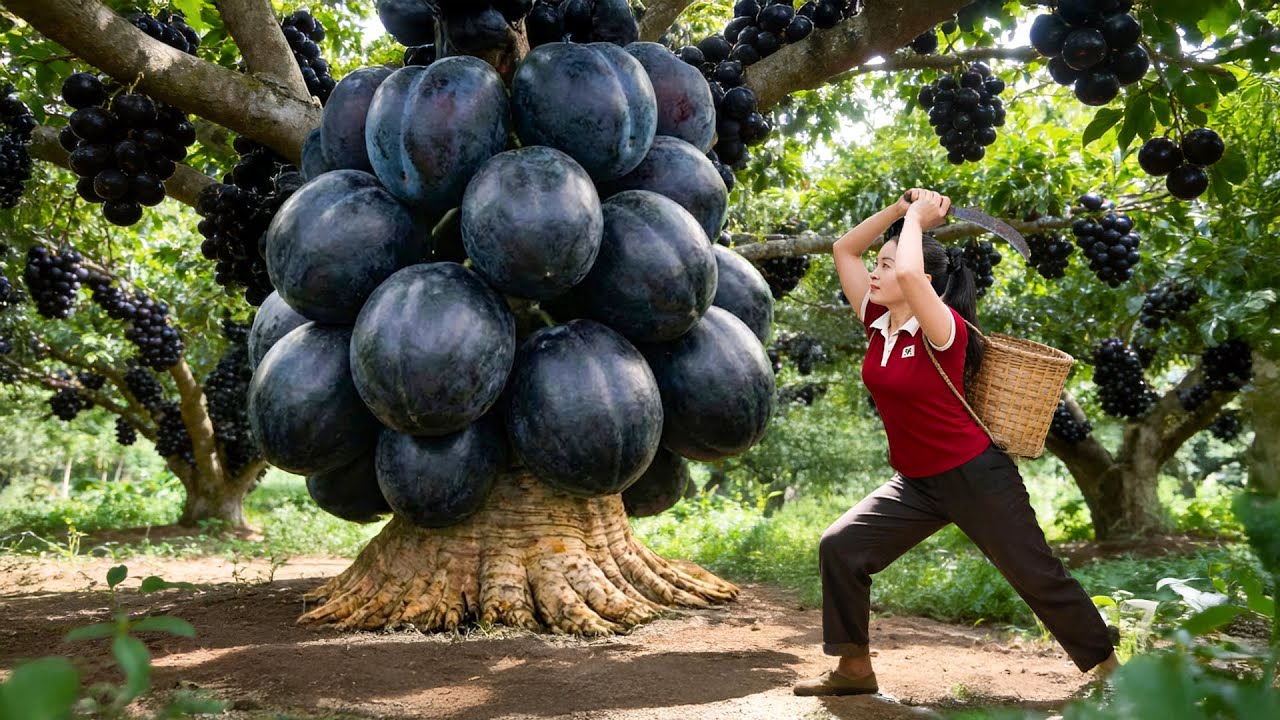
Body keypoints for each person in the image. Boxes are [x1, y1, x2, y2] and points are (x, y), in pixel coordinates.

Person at [793, 189, 1119, 696]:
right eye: (877, 265)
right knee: (841, 547)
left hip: (976, 476)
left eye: (888, 263)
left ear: (922, 280)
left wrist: (919, 224)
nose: (876, 274)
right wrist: (901, 213)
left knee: (1036, 574)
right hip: (915, 484)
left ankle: (1114, 671)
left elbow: (907, 275)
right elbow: (842, 250)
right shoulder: (877, 326)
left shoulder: (944, 330)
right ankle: (853, 670)